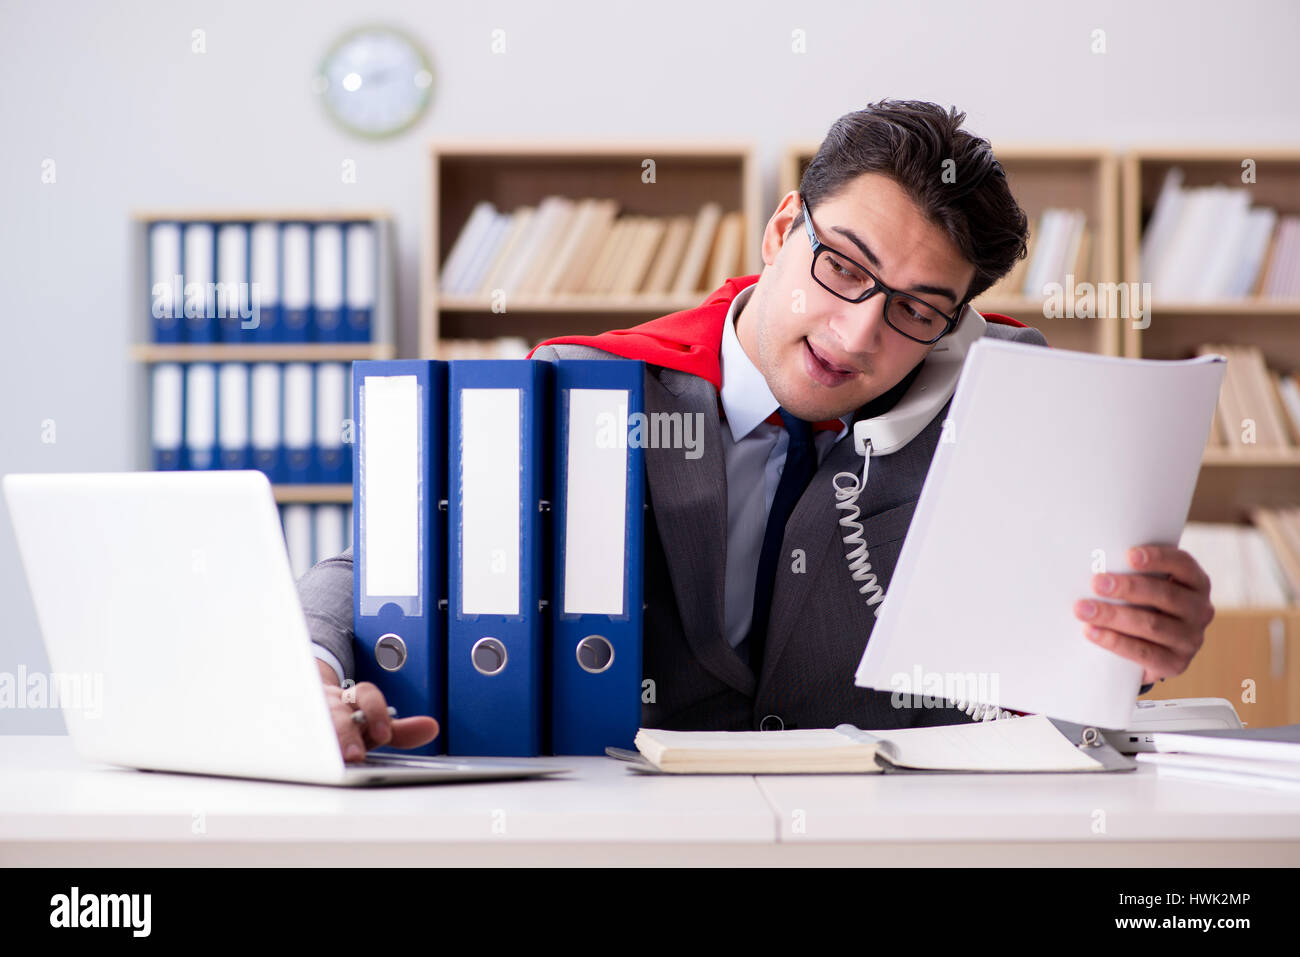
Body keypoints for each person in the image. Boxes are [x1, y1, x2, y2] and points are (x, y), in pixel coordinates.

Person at [298, 99, 1214, 760]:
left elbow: (1054, 649)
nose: (856, 334)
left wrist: (1139, 645)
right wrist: (308, 670)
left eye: (916, 310)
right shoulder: (595, 389)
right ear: (782, 231)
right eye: (843, 267)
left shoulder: (991, 420)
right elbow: (381, 572)